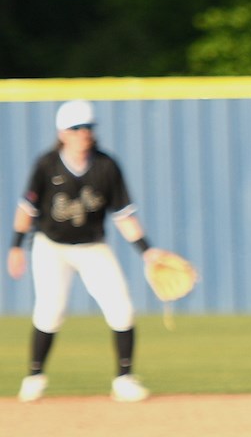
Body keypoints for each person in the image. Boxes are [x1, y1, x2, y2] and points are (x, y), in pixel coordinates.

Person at [8, 100, 167, 402]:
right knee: (50, 311)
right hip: (51, 246)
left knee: (121, 307)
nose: (83, 133)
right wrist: (15, 247)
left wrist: (148, 251)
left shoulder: (106, 166)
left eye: (88, 127)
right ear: (63, 132)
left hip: (93, 246)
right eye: (76, 128)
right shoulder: (47, 165)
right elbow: (26, 209)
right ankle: (34, 377)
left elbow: (124, 216)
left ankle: (124, 379)